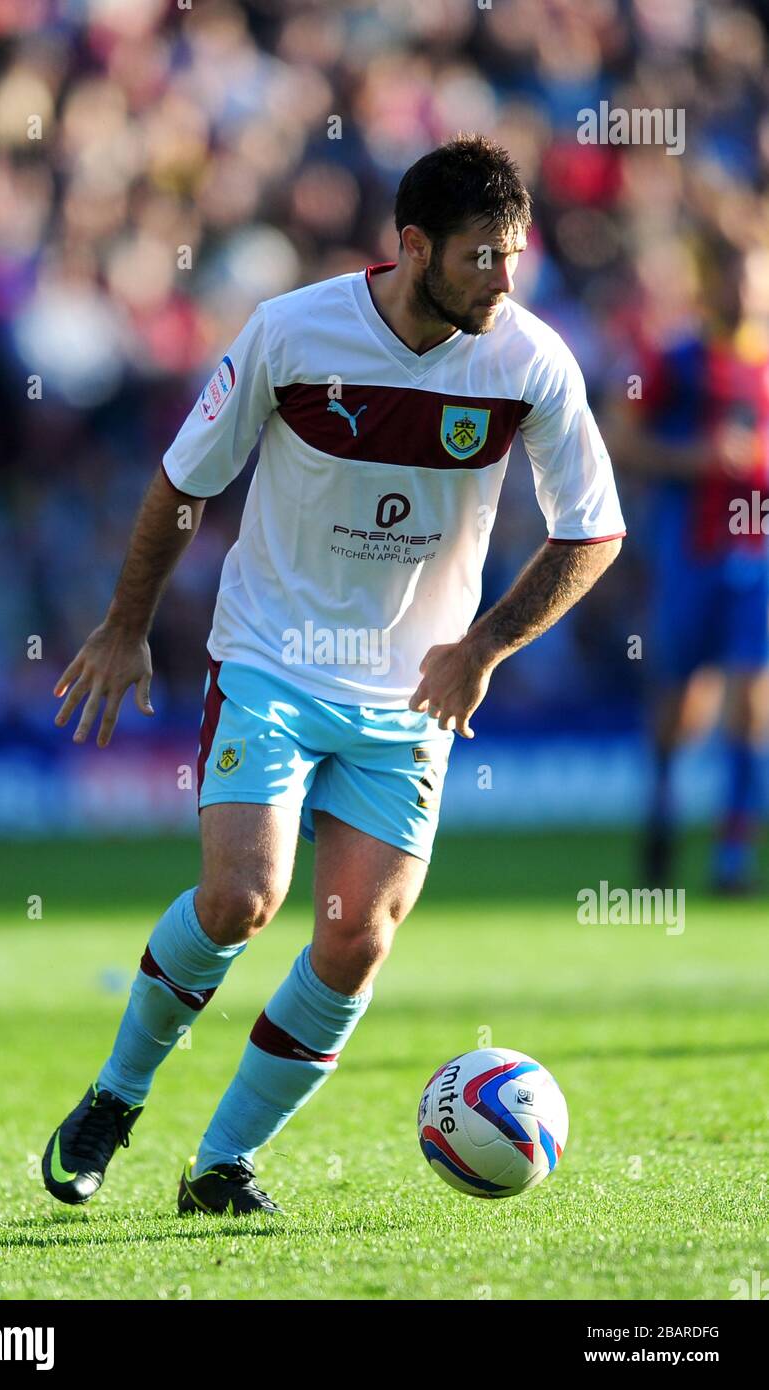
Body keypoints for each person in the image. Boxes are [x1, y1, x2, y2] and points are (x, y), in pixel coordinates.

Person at [41, 134, 624, 1216]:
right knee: (238, 899)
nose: (503, 280)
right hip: (272, 659)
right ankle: (115, 1097)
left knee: (355, 937)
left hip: (411, 694)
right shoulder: (291, 331)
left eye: (514, 255)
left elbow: (591, 531)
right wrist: (126, 626)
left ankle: (220, 1167)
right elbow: (182, 484)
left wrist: (482, 646)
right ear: (412, 248)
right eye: (478, 258)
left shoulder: (528, 360)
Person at [609, 242, 769, 892]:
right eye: (736, 281)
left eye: (756, 282)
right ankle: (663, 815)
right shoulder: (674, 361)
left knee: (753, 696)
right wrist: (698, 459)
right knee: (683, 698)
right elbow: (619, 439)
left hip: (757, 556)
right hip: (689, 553)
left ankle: (733, 850)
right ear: (714, 285)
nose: (747, 295)